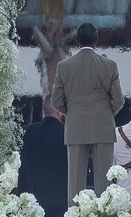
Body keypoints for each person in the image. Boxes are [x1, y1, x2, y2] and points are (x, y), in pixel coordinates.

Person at [51, 22, 124, 203]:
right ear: (97, 41)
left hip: (76, 127)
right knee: (104, 183)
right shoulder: (110, 66)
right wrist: (106, 114)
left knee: (75, 182)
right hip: (103, 127)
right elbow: (119, 101)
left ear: (76, 40)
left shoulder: (64, 67)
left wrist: (73, 112)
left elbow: (56, 101)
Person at [16, 97, 69, 217]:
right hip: (60, 198)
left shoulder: (26, 132)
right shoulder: (67, 135)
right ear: (59, 112)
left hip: (32, 196)